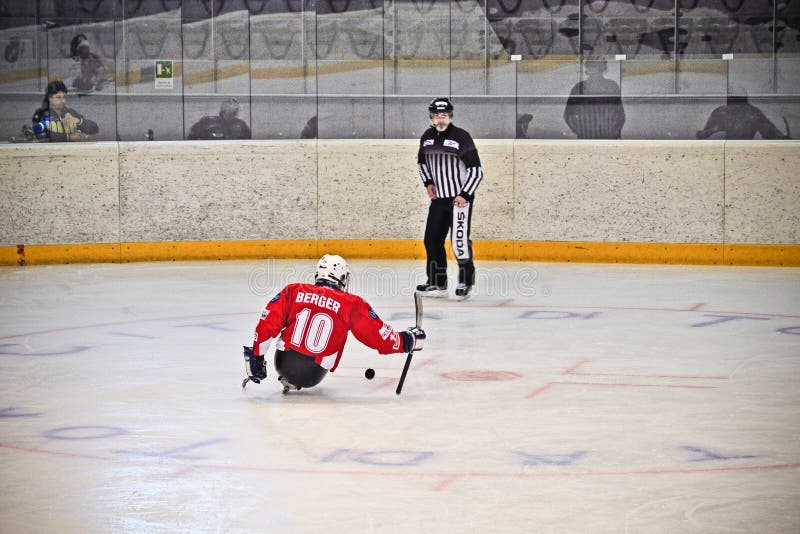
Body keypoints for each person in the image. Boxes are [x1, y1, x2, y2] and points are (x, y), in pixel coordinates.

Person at [243, 254, 426, 394]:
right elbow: (377, 336)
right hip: (312, 375)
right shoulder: (351, 303)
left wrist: (257, 355)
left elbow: (268, 323)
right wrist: (406, 340)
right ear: (342, 278)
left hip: (282, 363)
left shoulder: (293, 291)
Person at [415, 97, 484, 299]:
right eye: (437, 115)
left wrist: (465, 194)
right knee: (432, 240)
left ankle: (465, 281)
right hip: (438, 200)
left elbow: (476, 170)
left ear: (450, 116)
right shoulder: (427, 137)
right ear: (431, 116)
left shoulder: (462, 137)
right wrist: (428, 183)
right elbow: (421, 164)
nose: (440, 118)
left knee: (459, 243)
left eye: (444, 115)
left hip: (459, 201)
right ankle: (437, 282)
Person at [563, 58, 626, 139]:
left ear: (602, 69)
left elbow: (620, 115)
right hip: (588, 138)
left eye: (595, 67)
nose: (592, 69)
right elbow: (568, 115)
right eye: (590, 66)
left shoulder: (612, 86)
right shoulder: (579, 87)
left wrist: (614, 133)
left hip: (608, 138)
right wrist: (581, 132)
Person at [696, 95, 791, 140]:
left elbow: (770, 133)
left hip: (743, 150)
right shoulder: (720, 112)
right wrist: (713, 131)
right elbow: (703, 137)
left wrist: (782, 139)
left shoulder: (753, 113)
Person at [30, 80, 99, 142]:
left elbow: (94, 129)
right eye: (58, 97)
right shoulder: (41, 114)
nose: (62, 101)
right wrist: (68, 137)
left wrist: (78, 121)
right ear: (50, 98)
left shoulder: (71, 112)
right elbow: (37, 135)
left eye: (64, 97)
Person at [187, 98, 252, 140]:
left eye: (236, 109)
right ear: (223, 110)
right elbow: (191, 137)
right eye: (230, 105)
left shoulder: (241, 125)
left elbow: (248, 141)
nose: (235, 110)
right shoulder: (207, 122)